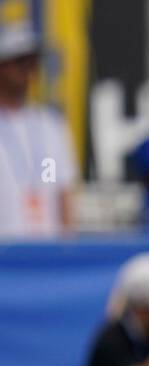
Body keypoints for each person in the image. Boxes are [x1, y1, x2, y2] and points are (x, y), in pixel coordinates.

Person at [0, 20, 75, 237]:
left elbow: (60, 187)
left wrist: (67, 244)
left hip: (45, 251)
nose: (28, 70)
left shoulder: (48, 125)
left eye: (32, 62)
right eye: (20, 62)